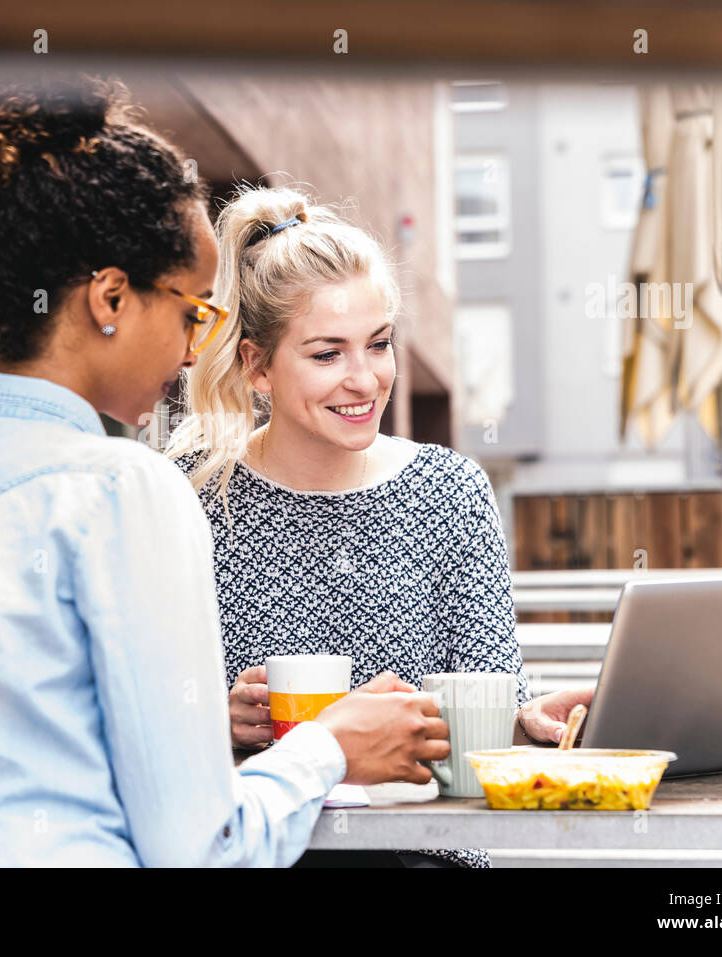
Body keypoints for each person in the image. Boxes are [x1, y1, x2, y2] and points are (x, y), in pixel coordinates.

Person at [0, 73, 452, 867]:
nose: (193, 350)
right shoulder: (124, 490)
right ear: (111, 299)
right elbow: (203, 848)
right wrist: (329, 745)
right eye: (191, 311)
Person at [166, 184, 594, 867]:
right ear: (256, 365)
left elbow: (489, 707)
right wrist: (217, 719)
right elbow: (147, 721)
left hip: (424, 855)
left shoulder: (450, 490)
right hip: (263, 848)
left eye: (379, 344)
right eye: (327, 353)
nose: (364, 379)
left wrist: (527, 718)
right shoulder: (188, 492)